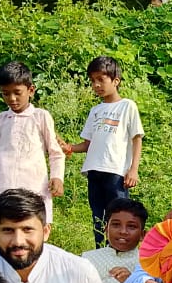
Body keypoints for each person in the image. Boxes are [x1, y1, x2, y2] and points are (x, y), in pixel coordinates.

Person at [58, 56, 145, 247]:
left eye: (101, 80)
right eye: (93, 81)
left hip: (116, 172)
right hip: (94, 170)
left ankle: (122, 251)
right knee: (98, 216)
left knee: (120, 214)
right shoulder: (95, 110)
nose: (96, 85)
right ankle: (101, 250)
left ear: (116, 81)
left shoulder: (127, 106)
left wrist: (133, 169)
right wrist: (70, 148)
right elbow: (88, 144)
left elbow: (136, 138)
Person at [0, 60, 65, 226]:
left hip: (33, 187)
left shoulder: (40, 116)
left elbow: (55, 152)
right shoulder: (1, 119)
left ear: (31, 90)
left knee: (32, 231)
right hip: (2, 188)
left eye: (17, 92)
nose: (12, 99)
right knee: (2, 232)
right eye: (6, 93)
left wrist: (57, 178)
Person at [81, 196, 149, 283]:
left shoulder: (149, 263)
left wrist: (132, 282)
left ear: (143, 235)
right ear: (106, 229)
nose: (123, 231)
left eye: (131, 226)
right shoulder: (87, 259)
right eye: (116, 225)